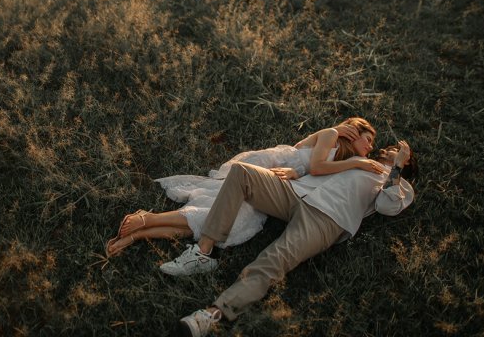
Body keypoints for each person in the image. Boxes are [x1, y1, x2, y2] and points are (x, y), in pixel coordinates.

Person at [168, 139, 418, 337]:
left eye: (396, 150)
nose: (388, 148)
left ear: (405, 162)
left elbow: (387, 206)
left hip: (326, 219)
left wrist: (396, 167)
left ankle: (212, 314)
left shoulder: (401, 186)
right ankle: (204, 252)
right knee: (242, 172)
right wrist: (298, 171)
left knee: (273, 260)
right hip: (295, 191)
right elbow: (320, 166)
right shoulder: (358, 159)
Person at [105, 117, 377, 257]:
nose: (370, 148)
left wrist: (303, 171)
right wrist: (357, 164)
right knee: (222, 209)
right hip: (268, 166)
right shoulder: (332, 135)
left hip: (279, 179)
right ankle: (148, 219)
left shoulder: (343, 160)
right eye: (369, 140)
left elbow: (312, 172)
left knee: (229, 224)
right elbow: (314, 164)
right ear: (355, 130)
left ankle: (140, 233)